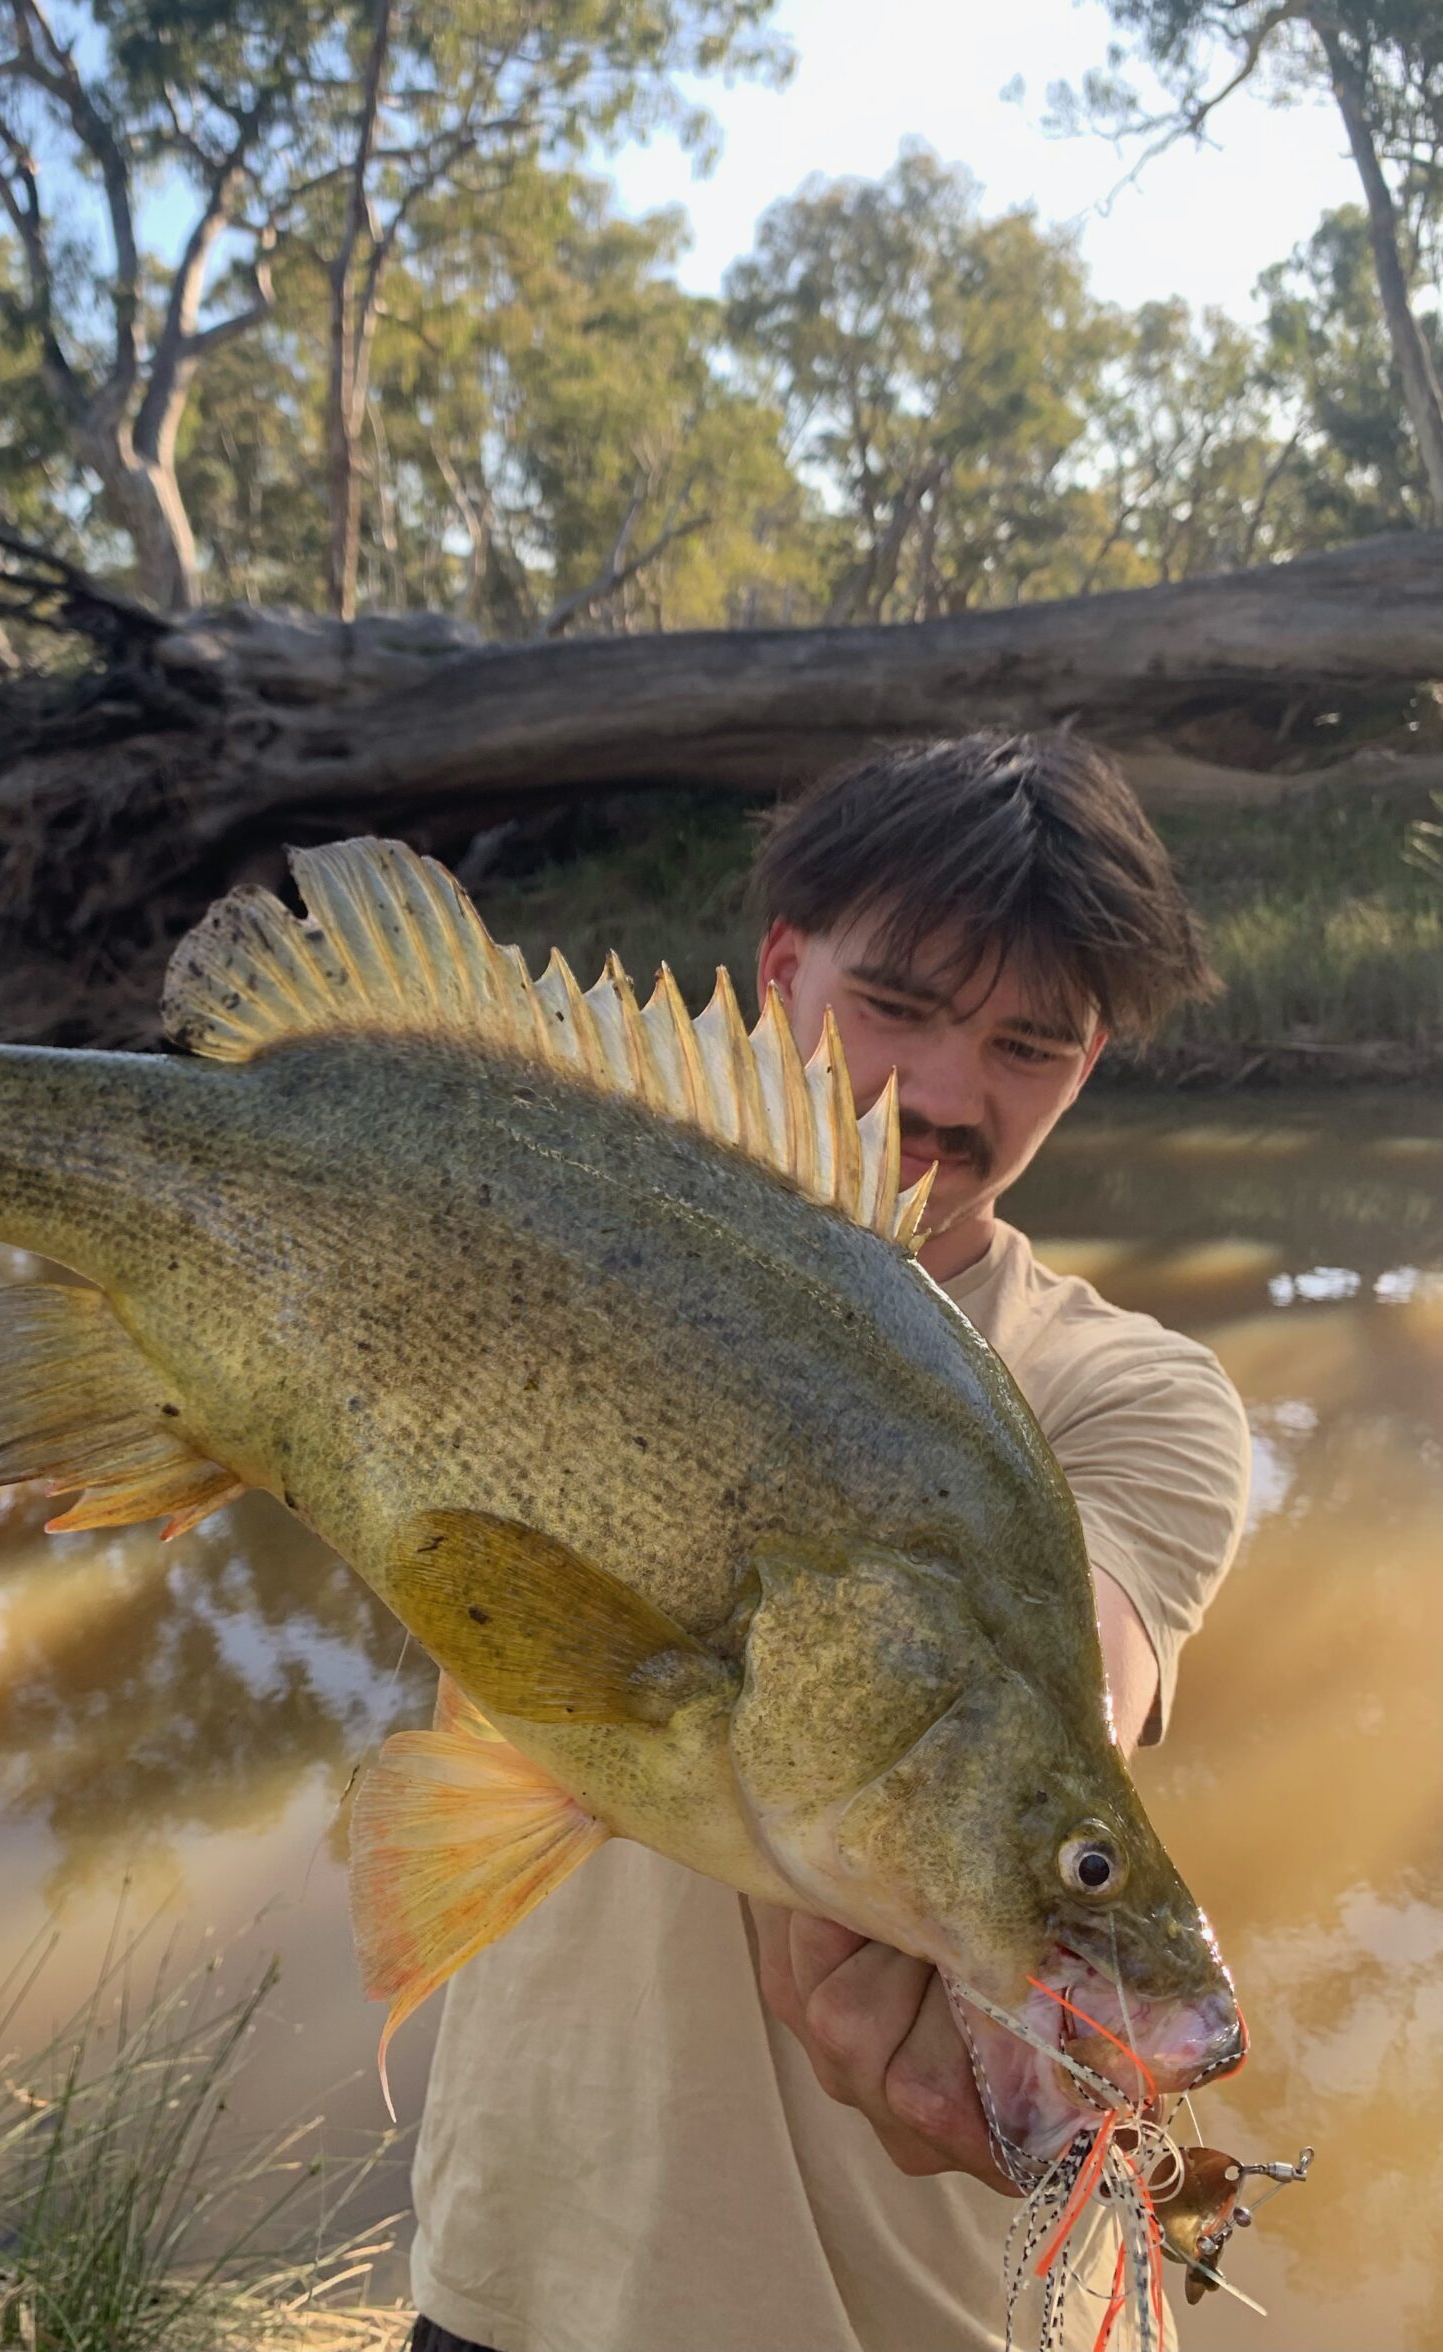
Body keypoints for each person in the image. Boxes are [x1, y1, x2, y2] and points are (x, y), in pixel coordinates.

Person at [406, 732, 1252, 2352]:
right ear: (783, 968)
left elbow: (1054, 1717)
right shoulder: (539, 1251)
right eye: (903, 1008)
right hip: (503, 2268)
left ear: (1092, 1061)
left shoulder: (1132, 1397)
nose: (949, 1095)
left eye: (1030, 1043)